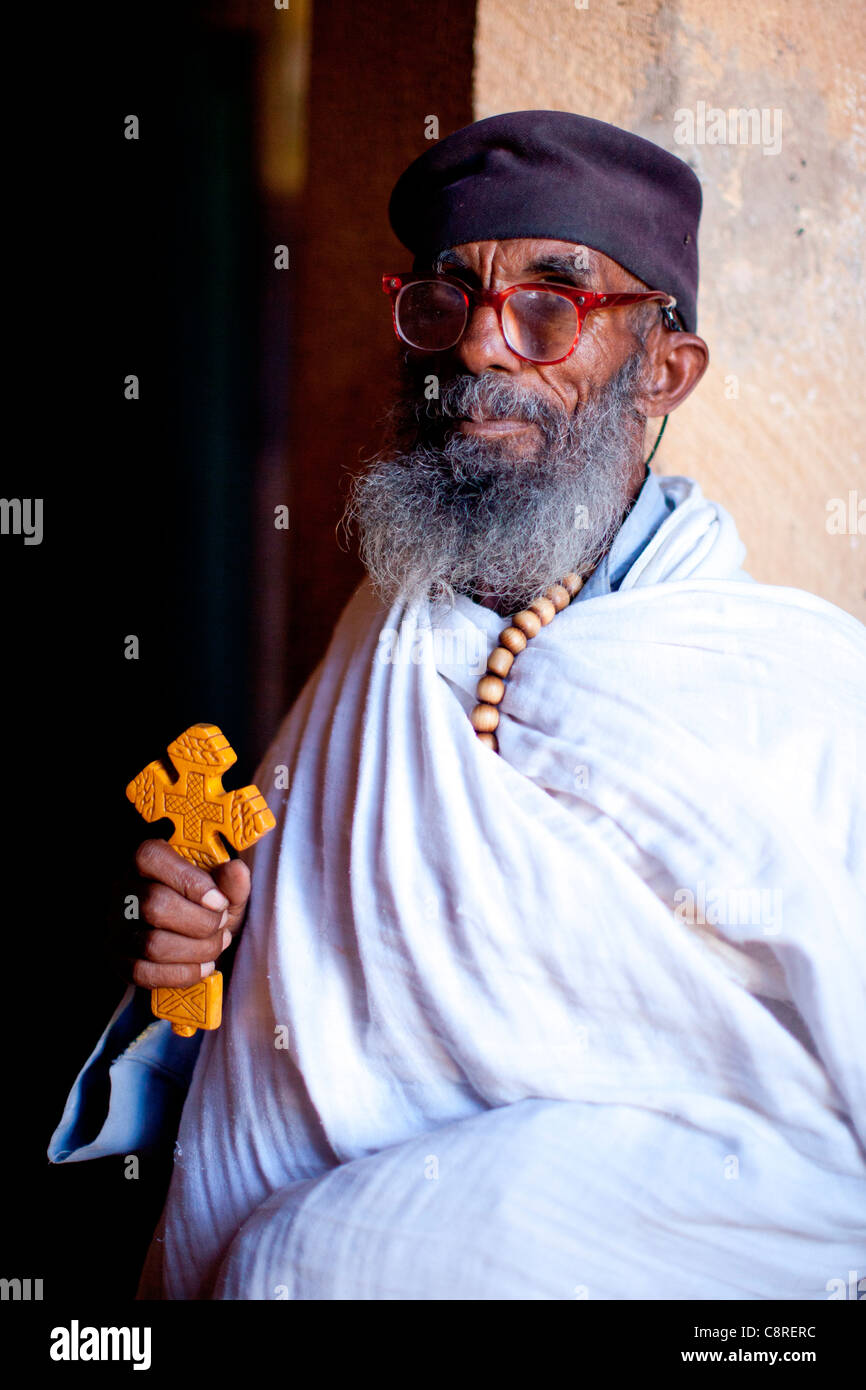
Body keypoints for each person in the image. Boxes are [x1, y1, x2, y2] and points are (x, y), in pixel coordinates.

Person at [50, 110, 866, 1301]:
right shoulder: (382, 634)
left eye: (553, 303)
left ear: (663, 369)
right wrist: (178, 951)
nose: (482, 349)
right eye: (446, 300)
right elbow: (275, 997)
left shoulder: (799, 687)